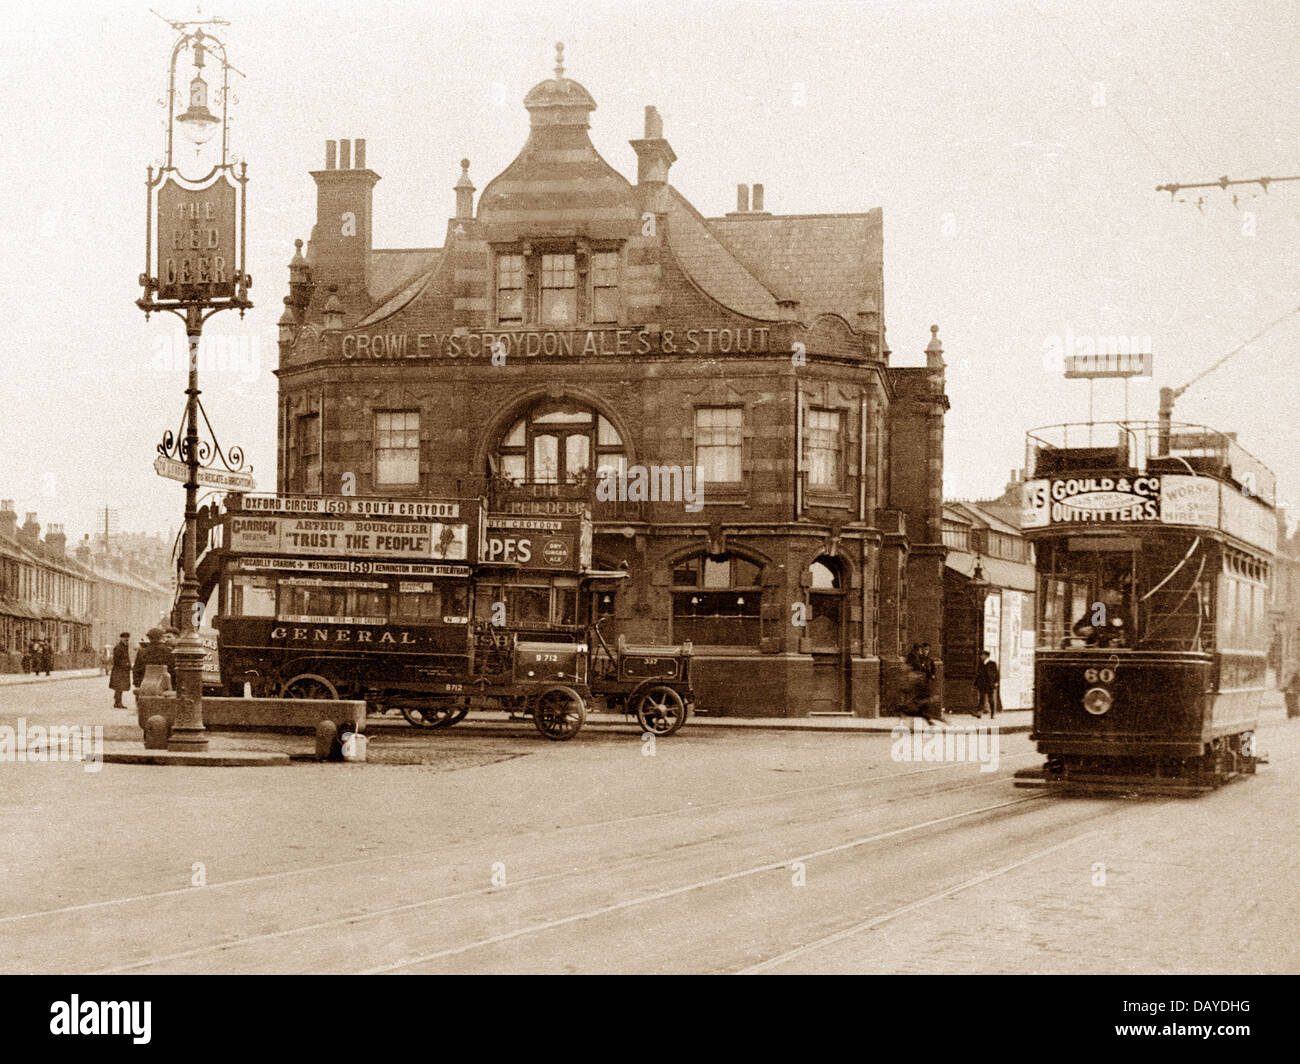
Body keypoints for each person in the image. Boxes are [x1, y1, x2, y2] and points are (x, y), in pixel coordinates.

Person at [973, 650, 1000, 718]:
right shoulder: (981, 664)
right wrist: (976, 683)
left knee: (991, 699)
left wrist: (996, 682)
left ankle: (992, 714)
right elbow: (978, 674)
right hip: (982, 684)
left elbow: (996, 674)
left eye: (982, 655)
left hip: (990, 684)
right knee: (981, 699)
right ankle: (979, 713)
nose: (981, 656)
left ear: (986, 656)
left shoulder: (992, 664)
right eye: (981, 655)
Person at [109, 632, 133, 709]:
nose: (126, 639)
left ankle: (117, 701)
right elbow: (116, 660)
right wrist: (125, 664)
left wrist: (128, 665)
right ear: (121, 638)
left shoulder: (125, 646)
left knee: (120, 687)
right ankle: (118, 702)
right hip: (119, 670)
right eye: (125, 638)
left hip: (123, 670)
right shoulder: (118, 647)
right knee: (119, 687)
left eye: (127, 637)